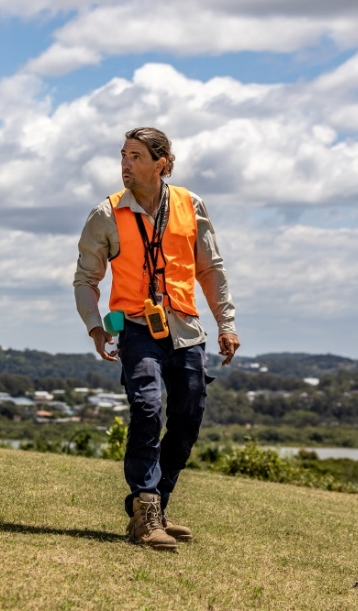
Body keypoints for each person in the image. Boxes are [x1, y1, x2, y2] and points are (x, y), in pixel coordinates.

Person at [73, 127, 240, 552]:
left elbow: (210, 269)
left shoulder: (191, 204)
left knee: (188, 417)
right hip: (134, 327)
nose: (125, 164)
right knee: (147, 408)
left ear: (160, 162)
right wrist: (96, 326)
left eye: (135, 156)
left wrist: (226, 323)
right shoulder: (105, 214)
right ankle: (146, 509)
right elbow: (86, 278)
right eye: (123, 155)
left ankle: (155, 505)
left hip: (185, 329)